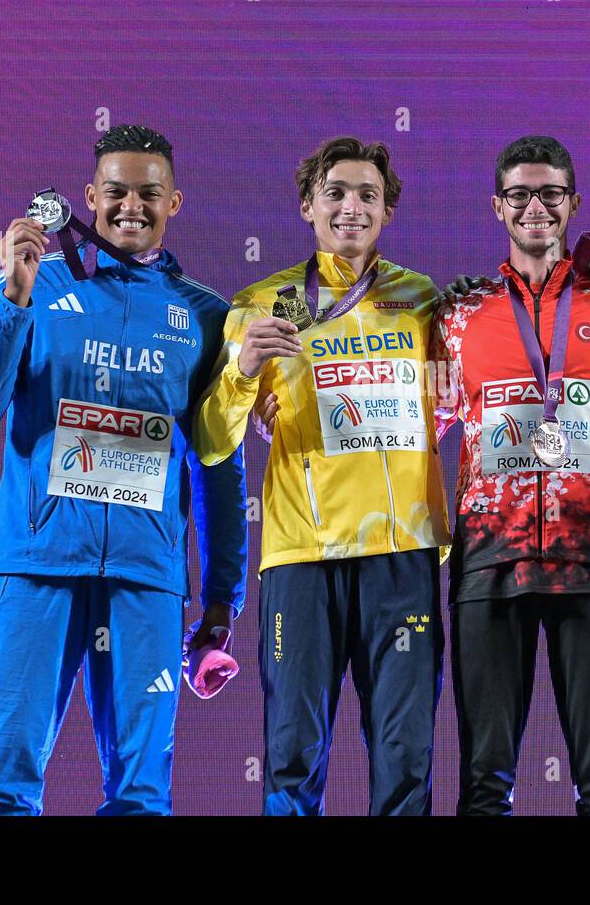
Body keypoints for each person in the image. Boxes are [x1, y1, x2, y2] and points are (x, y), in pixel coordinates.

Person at [0, 124, 247, 815]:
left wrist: (220, 600)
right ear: (90, 196)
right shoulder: (37, 286)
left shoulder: (205, 316)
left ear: (175, 202)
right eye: (115, 192)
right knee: (6, 784)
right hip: (35, 568)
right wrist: (12, 298)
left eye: (150, 193)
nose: (131, 207)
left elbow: (218, 463)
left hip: (145, 580)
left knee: (141, 795)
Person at [193, 136, 450, 815]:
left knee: (404, 756)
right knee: (292, 753)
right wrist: (246, 375)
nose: (351, 207)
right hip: (302, 556)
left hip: (402, 554)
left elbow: (448, 411)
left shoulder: (421, 300)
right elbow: (214, 443)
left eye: (368, 194)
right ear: (308, 205)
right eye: (335, 192)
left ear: (387, 210)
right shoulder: (261, 303)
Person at [431, 136, 590, 815]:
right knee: (483, 784)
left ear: (573, 202)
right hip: (487, 564)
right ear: (498, 206)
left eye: (551, 192)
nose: (536, 207)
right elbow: (410, 427)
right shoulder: (459, 316)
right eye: (521, 194)